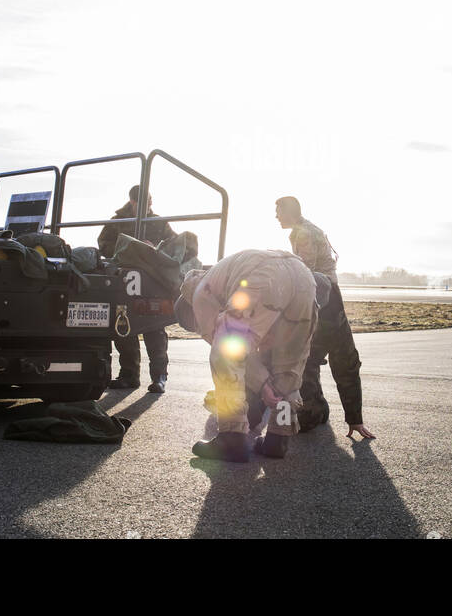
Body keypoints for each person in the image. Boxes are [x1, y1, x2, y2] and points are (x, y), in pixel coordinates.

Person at [176, 249, 317, 462]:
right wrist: (266, 383)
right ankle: (278, 439)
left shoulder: (199, 295)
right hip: (304, 277)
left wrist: (261, 384)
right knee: (288, 367)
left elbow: (232, 351)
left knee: (224, 354)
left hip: (265, 277)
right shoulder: (219, 278)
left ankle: (231, 439)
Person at [275, 196, 376, 440]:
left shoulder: (303, 234)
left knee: (318, 355)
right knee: (313, 355)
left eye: (278, 211)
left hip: (323, 298)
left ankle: (316, 411)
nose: (276, 216)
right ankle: (317, 409)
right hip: (326, 296)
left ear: (290, 212)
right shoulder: (306, 229)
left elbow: (305, 274)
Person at [98, 185, 176, 393]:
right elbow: (103, 244)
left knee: (155, 329)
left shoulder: (159, 222)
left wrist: (155, 247)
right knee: (123, 327)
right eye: (145, 202)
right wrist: (129, 247)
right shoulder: (117, 222)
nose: (150, 206)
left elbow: (174, 248)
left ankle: (159, 377)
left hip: (152, 281)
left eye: (151, 201)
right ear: (133, 202)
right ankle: (129, 375)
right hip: (125, 279)